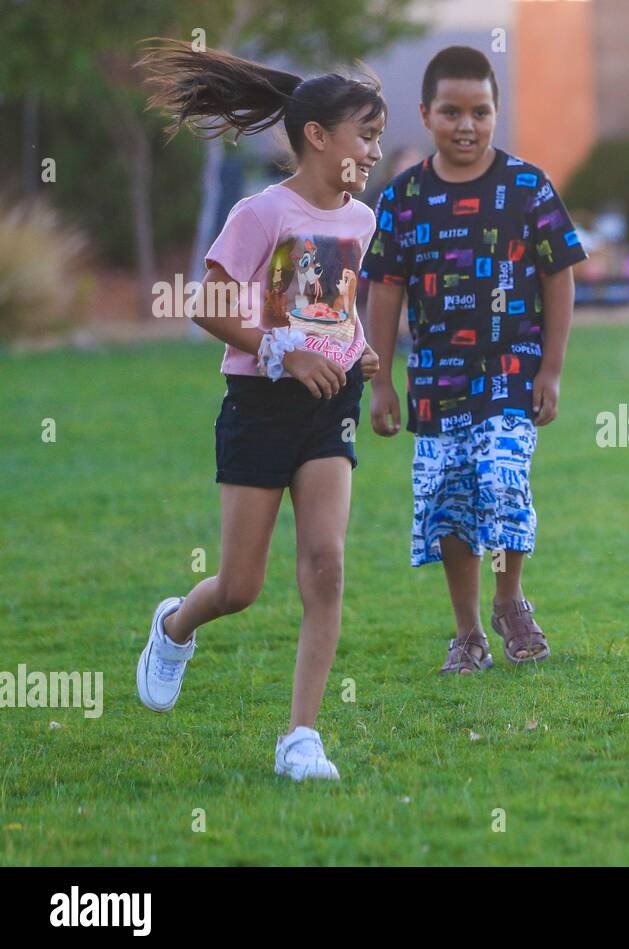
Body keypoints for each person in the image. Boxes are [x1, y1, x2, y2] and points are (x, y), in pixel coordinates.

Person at [134, 39, 384, 780]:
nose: (373, 151)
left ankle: (301, 738)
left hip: (330, 400)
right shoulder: (262, 212)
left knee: (326, 564)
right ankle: (175, 625)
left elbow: (332, 307)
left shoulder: (360, 222)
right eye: (364, 135)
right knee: (241, 586)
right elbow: (207, 302)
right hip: (259, 402)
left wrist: (358, 349)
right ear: (318, 136)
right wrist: (284, 354)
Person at [362, 46, 587, 675]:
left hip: (511, 373)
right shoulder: (403, 198)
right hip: (435, 381)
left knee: (504, 482)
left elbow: (559, 277)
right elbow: (384, 288)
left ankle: (510, 600)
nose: (467, 125)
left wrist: (551, 369)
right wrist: (381, 382)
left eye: (481, 112)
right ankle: (467, 634)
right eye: (452, 111)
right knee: (449, 501)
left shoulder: (525, 186)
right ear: (426, 114)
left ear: (496, 113)